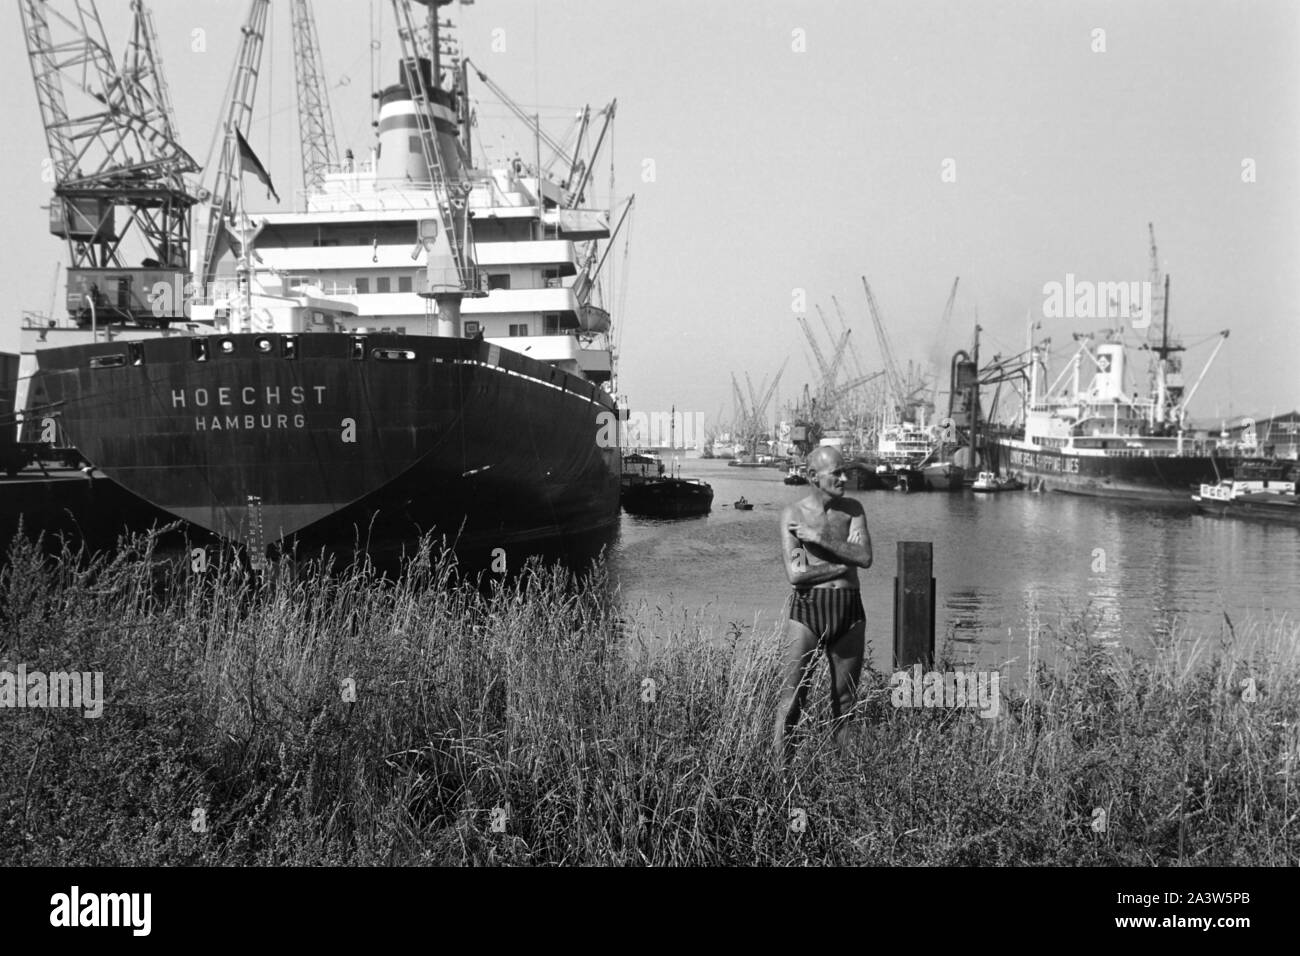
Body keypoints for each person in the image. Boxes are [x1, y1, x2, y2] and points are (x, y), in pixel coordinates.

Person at [773, 445, 873, 765]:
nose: (844, 478)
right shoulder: (794, 515)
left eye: (845, 472)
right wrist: (843, 564)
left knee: (845, 702)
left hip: (849, 611)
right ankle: (781, 777)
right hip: (808, 611)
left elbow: (865, 557)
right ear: (813, 476)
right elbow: (797, 575)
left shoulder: (853, 510)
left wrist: (817, 538)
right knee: (792, 700)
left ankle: (843, 778)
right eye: (836, 473)